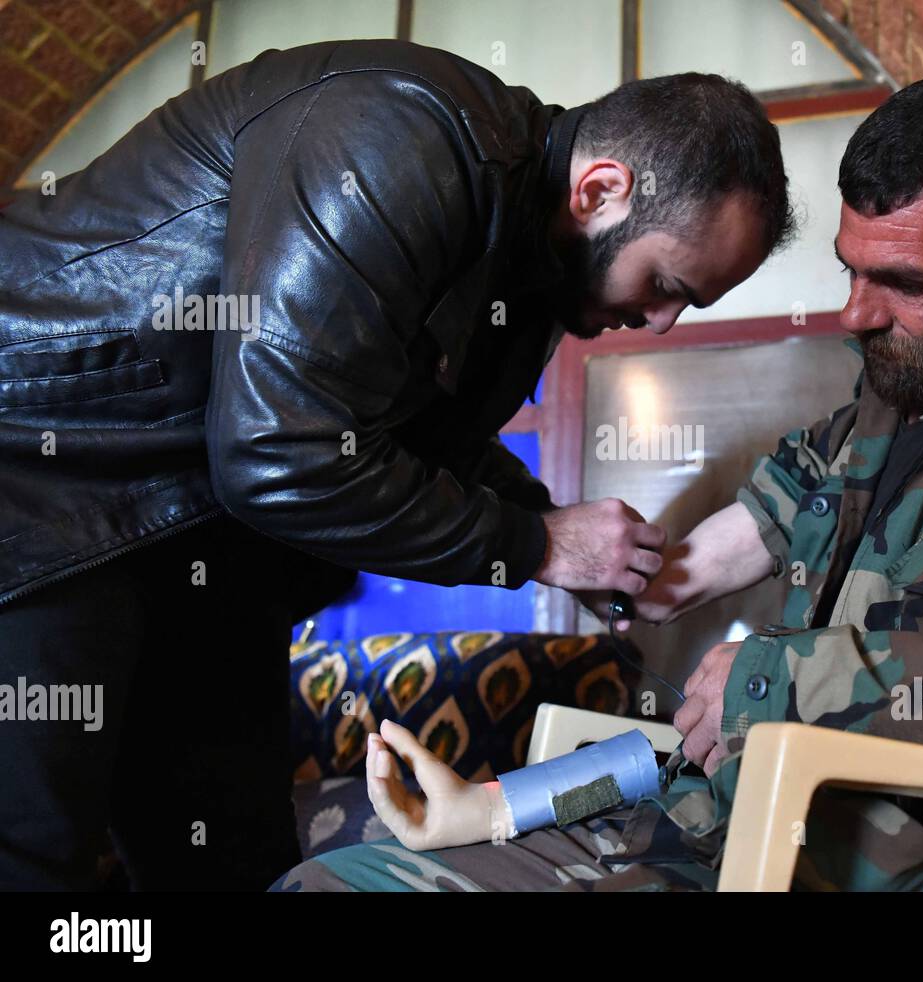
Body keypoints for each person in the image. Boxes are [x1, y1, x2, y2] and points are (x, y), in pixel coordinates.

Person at [275, 71, 923, 892]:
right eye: (849, 268)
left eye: (905, 283)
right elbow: (701, 581)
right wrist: (502, 791)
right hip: (688, 839)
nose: (855, 314)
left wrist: (808, 676)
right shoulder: (869, 420)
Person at [0, 39, 795, 890]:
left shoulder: (534, 269)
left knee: (232, 855)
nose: (665, 321)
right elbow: (281, 450)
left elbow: (414, 431)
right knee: (33, 849)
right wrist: (540, 545)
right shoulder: (397, 138)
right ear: (600, 190)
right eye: (667, 282)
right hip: (45, 483)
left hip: (207, 540)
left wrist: (558, 535)